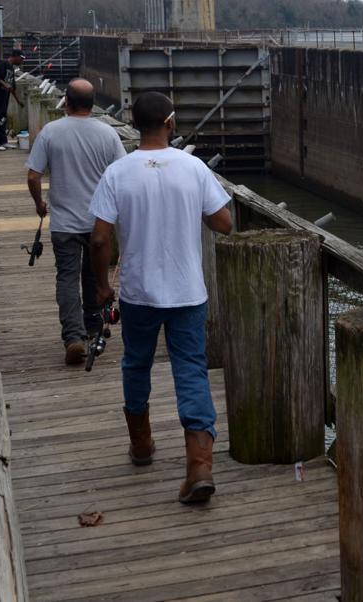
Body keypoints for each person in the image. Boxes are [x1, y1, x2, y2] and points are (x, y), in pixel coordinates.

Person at [89, 92, 233, 504]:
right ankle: (199, 466)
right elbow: (224, 224)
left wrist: (102, 287)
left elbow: (99, 238)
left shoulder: (118, 173)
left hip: (139, 293)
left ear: (135, 125)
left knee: (136, 363)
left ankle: (141, 445)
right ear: (170, 123)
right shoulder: (194, 168)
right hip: (188, 292)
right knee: (191, 369)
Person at [26, 78, 126, 366]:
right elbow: (121, 173)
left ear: (66, 102)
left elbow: (33, 176)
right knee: (93, 276)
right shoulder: (108, 134)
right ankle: (94, 330)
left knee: (66, 279)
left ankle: (73, 338)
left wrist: (39, 204)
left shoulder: (51, 132)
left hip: (63, 223)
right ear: (92, 104)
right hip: (99, 222)